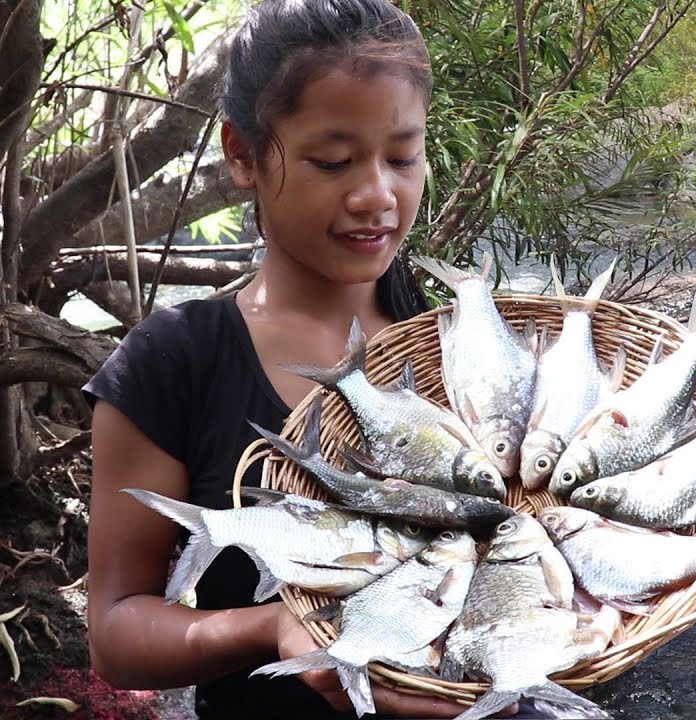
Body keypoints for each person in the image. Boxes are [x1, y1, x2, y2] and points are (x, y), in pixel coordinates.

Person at [83, 1, 475, 717]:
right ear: (243, 155)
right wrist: (270, 628)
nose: (377, 195)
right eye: (333, 161)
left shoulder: (454, 341)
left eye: (402, 156)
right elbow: (114, 633)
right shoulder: (174, 364)